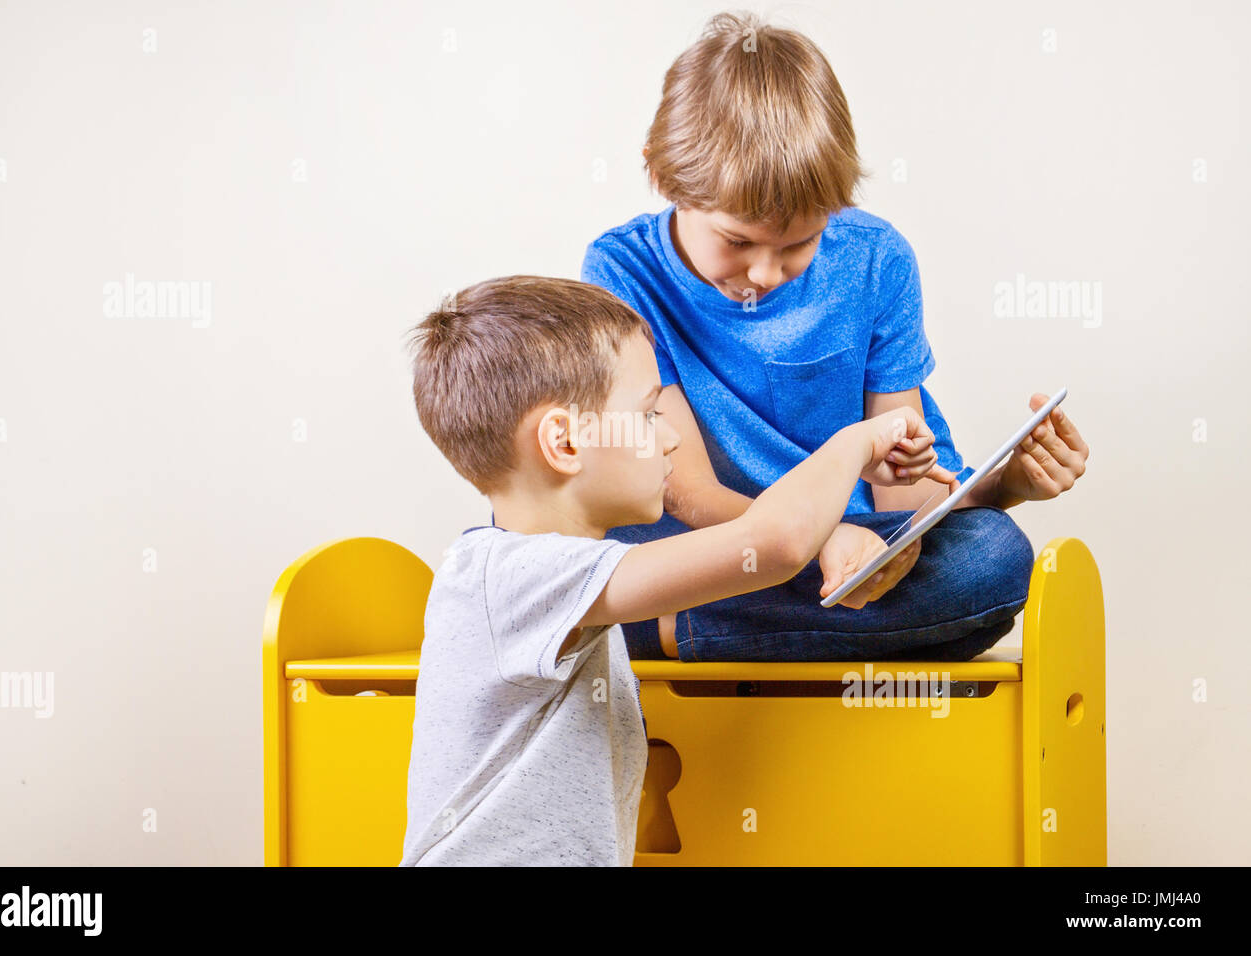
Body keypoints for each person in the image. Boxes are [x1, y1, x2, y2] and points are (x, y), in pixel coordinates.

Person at [581, 11, 1088, 663]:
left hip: (850, 543)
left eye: (799, 244)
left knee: (993, 556)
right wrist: (807, 541)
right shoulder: (622, 270)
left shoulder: (876, 260)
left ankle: (663, 631)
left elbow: (904, 491)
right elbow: (686, 490)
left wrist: (1004, 483)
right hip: (708, 546)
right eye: (737, 241)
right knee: (556, 545)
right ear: (661, 176)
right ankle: (726, 625)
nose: (765, 273)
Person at [399, 275, 941, 865]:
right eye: (650, 413)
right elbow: (776, 543)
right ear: (564, 442)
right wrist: (858, 442)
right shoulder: (508, 575)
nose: (674, 435)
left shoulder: (555, 577)